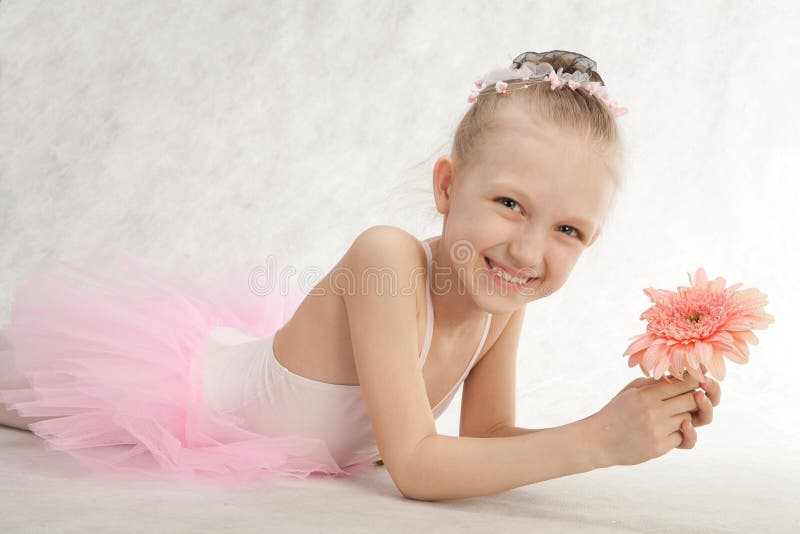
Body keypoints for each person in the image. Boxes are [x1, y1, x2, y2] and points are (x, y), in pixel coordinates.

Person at [0, 49, 720, 498]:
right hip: (188, 397)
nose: (529, 253)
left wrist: (628, 421)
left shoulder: (502, 299)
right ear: (448, 188)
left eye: (568, 230)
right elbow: (417, 466)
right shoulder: (388, 259)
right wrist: (595, 442)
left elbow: (487, 437)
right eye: (509, 204)